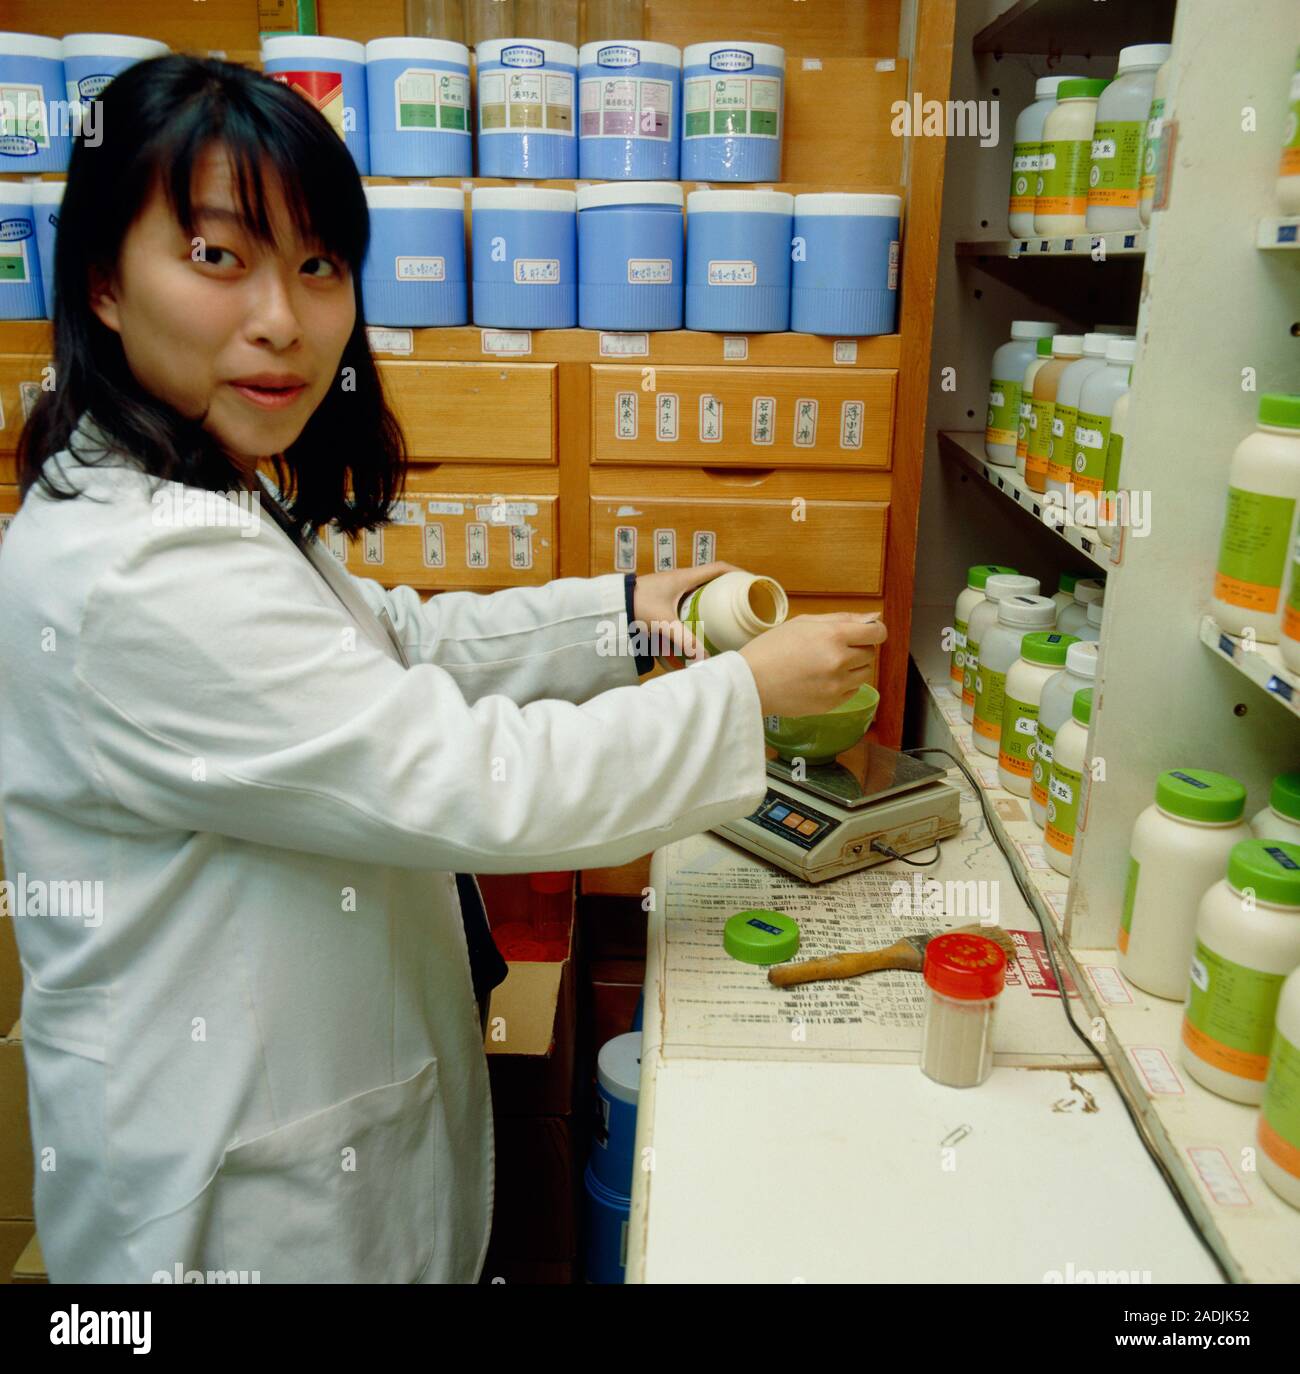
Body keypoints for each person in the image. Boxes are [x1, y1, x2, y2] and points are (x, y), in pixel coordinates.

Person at [0, 55, 886, 1283]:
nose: (285, 318)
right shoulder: (135, 575)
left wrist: (626, 616)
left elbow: (388, 649)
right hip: (235, 1213)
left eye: (318, 264)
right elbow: (470, 780)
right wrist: (742, 697)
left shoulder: (191, 492)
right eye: (218, 257)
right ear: (102, 278)